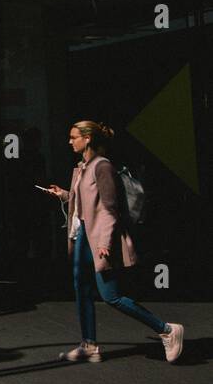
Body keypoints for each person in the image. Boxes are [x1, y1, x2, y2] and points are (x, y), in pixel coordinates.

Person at [44, 121, 184, 363]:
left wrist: (105, 242)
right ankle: (89, 345)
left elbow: (110, 209)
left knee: (111, 296)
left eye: (73, 137)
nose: (70, 141)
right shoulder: (81, 168)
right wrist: (64, 195)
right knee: (82, 290)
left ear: (87, 139)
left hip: (98, 238)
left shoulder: (102, 167)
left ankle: (167, 329)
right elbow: (85, 204)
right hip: (82, 236)